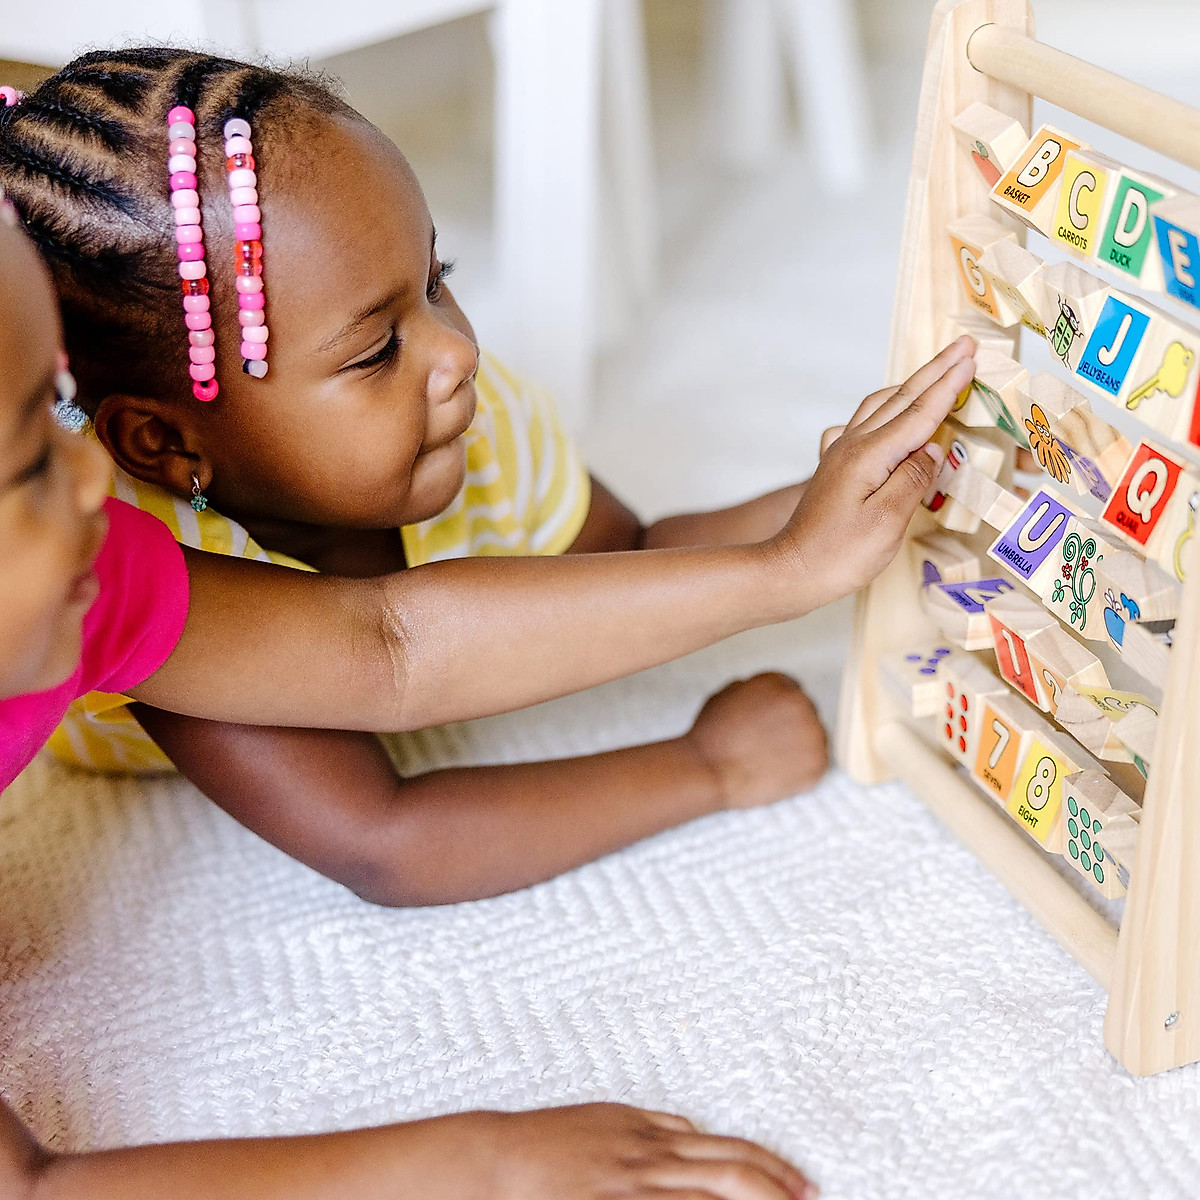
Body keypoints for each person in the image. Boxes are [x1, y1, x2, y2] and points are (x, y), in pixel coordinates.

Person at [0, 170, 973, 1196]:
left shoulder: (98, 565)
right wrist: (483, 1162)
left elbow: (390, 648)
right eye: (33, 455)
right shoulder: (134, 533)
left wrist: (804, 543)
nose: (95, 479)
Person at [2, 50, 933, 906]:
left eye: (437, 276)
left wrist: (824, 507)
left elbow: (632, 558)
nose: (457, 351)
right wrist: (706, 765)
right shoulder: (110, 566)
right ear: (166, 448)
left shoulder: (472, 426)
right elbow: (387, 837)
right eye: (376, 351)